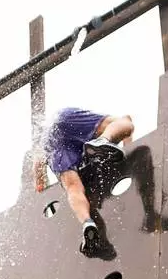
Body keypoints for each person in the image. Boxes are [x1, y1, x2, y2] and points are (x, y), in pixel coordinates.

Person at [37, 108, 134, 256]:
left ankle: (87, 222)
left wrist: (42, 188)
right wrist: (129, 146)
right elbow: (126, 121)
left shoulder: (43, 144)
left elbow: (38, 169)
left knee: (73, 187)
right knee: (127, 123)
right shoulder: (109, 131)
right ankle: (104, 140)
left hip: (51, 141)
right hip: (64, 119)